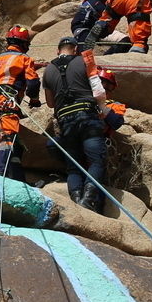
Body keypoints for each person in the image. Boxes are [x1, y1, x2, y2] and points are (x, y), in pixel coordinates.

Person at [42, 36, 110, 213]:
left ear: (58, 51)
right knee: (96, 160)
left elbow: (50, 103)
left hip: (65, 120)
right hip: (87, 116)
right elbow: (98, 90)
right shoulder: (84, 60)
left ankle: (77, 202)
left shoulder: (48, 69)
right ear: (75, 49)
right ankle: (88, 200)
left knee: (73, 165)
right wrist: (105, 110)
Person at [0, 26, 41, 181]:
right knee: (8, 139)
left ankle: (19, 179)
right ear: (24, 44)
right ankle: (0, 175)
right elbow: (33, 82)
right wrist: (34, 100)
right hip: (7, 104)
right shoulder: (24, 59)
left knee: (13, 144)